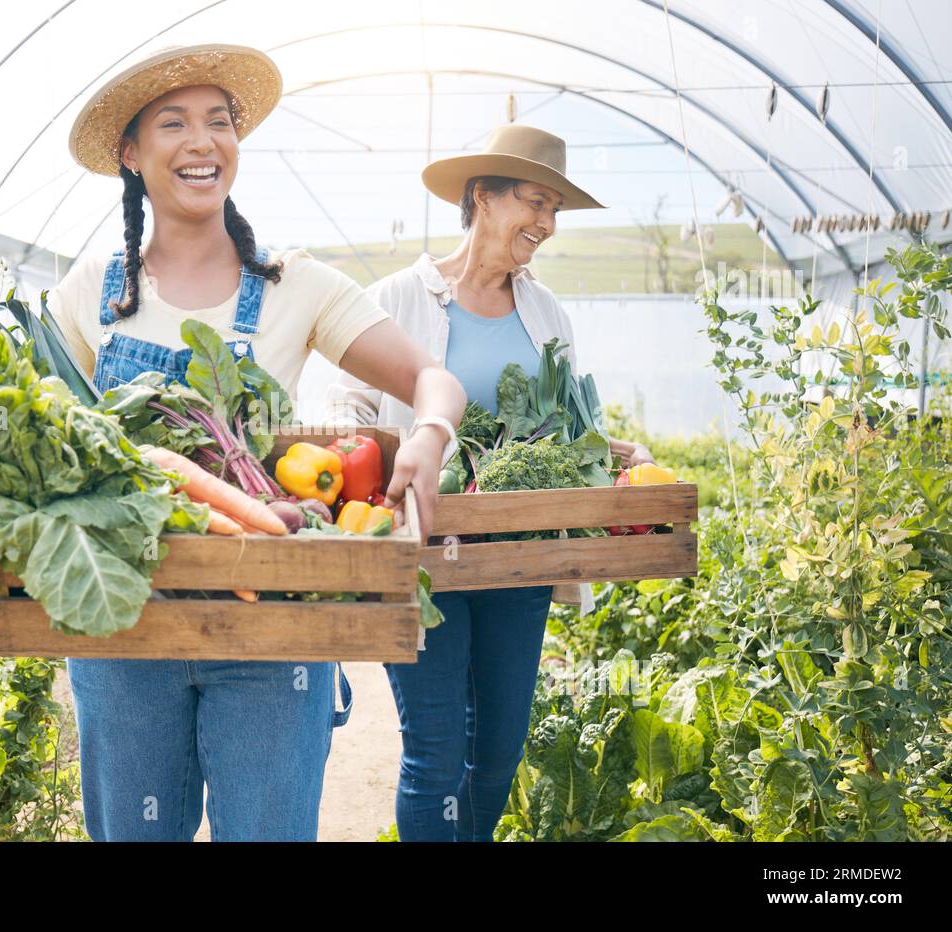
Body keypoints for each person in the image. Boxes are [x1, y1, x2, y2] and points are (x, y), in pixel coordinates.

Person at [46, 44, 466, 842]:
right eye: (174, 123)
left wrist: (432, 432)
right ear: (131, 155)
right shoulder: (90, 292)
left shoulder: (294, 283)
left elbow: (433, 379)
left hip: (274, 631)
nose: (203, 142)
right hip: (123, 631)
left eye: (220, 121)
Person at [325, 124, 655, 841]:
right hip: (422, 563)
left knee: (499, 755)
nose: (546, 223)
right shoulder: (397, 298)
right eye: (536, 202)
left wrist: (605, 451)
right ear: (482, 196)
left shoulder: (546, 312)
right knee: (436, 754)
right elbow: (344, 412)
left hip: (518, 560)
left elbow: (567, 423)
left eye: (555, 210)